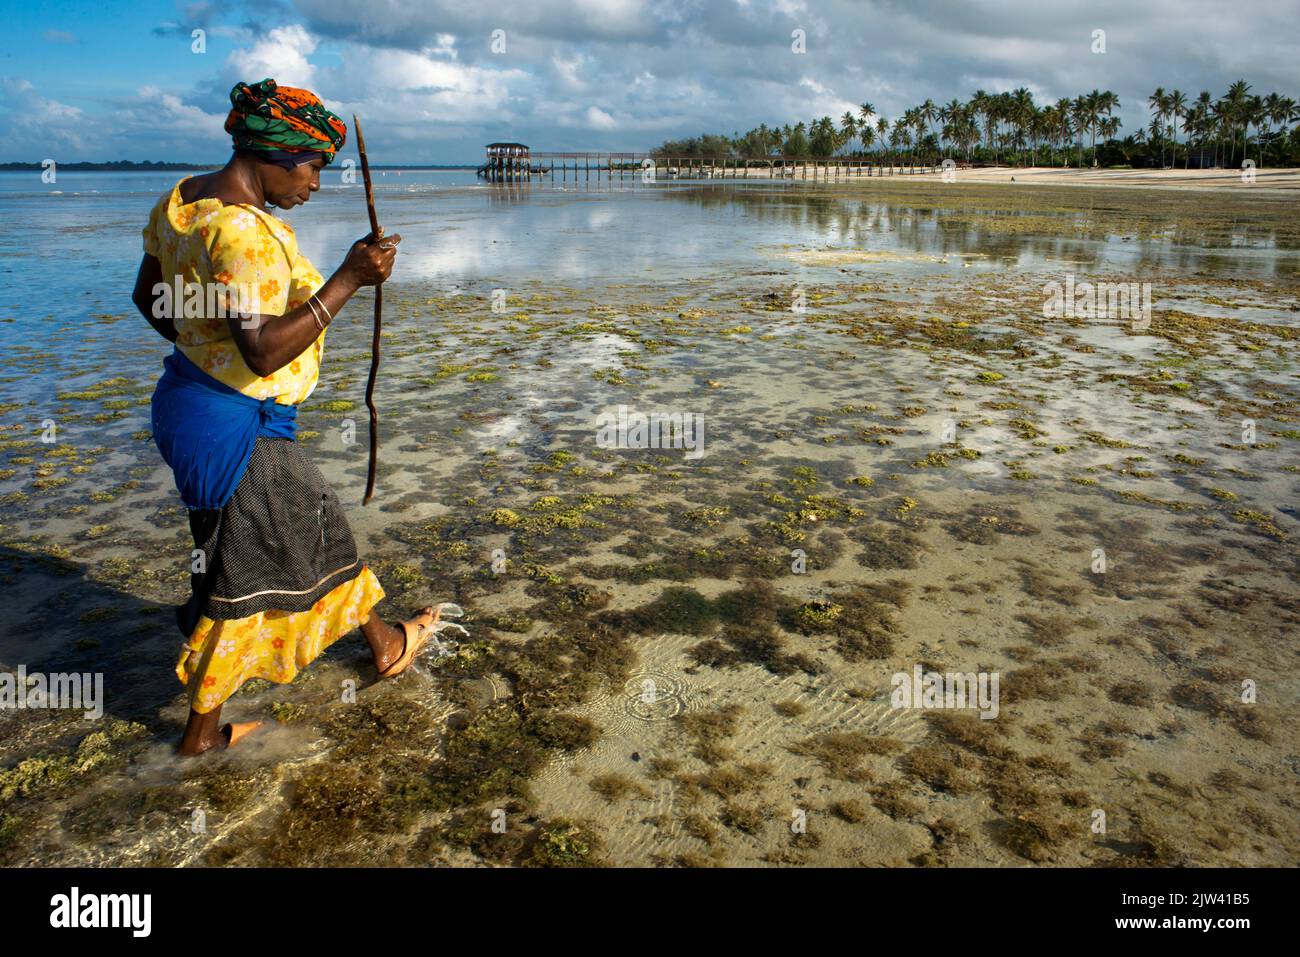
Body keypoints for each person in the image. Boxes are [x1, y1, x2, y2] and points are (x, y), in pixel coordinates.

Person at [132, 78, 455, 756]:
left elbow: (148, 297)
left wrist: (202, 346)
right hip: (238, 428)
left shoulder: (186, 200)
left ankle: (385, 642)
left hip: (194, 405)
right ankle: (198, 738)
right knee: (239, 575)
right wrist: (347, 279)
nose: (314, 183)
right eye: (310, 166)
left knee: (309, 531)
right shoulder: (243, 233)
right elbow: (263, 345)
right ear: (271, 157)